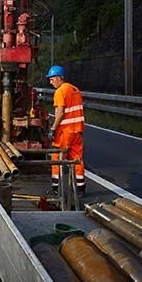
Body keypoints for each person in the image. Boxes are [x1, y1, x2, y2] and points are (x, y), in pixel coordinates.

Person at [47, 65, 85, 195]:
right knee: (77, 159)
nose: (50, 82)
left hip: (65, 132)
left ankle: (56, 188)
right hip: (77, 130)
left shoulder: (60, 91)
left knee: (57, 157)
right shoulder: (75, 89)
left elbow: (60, 113)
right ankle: (80, 189)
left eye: (52, 79)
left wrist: (52, 128)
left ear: (59, 78)